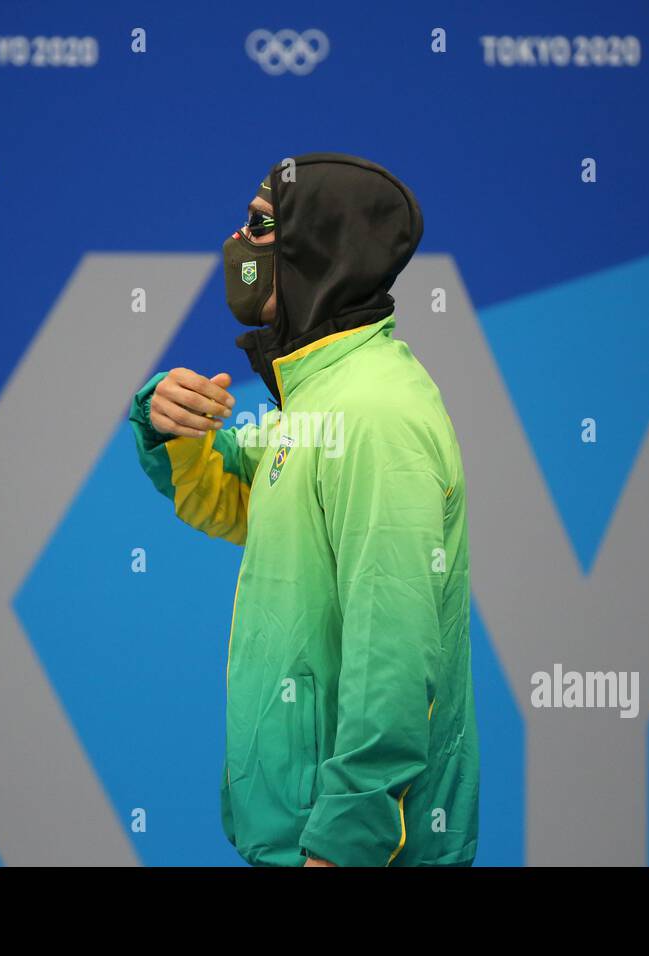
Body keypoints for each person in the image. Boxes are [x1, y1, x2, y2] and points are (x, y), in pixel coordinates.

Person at [128, 152, 478, 866]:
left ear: (315, 249)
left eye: (259, 226)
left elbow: (396, 656)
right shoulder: (314, 401)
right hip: (307, 842)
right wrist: (166, 422)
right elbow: (235, 501)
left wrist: (345, 841)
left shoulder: (375, 413)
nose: (235, 243)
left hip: (352, 854)